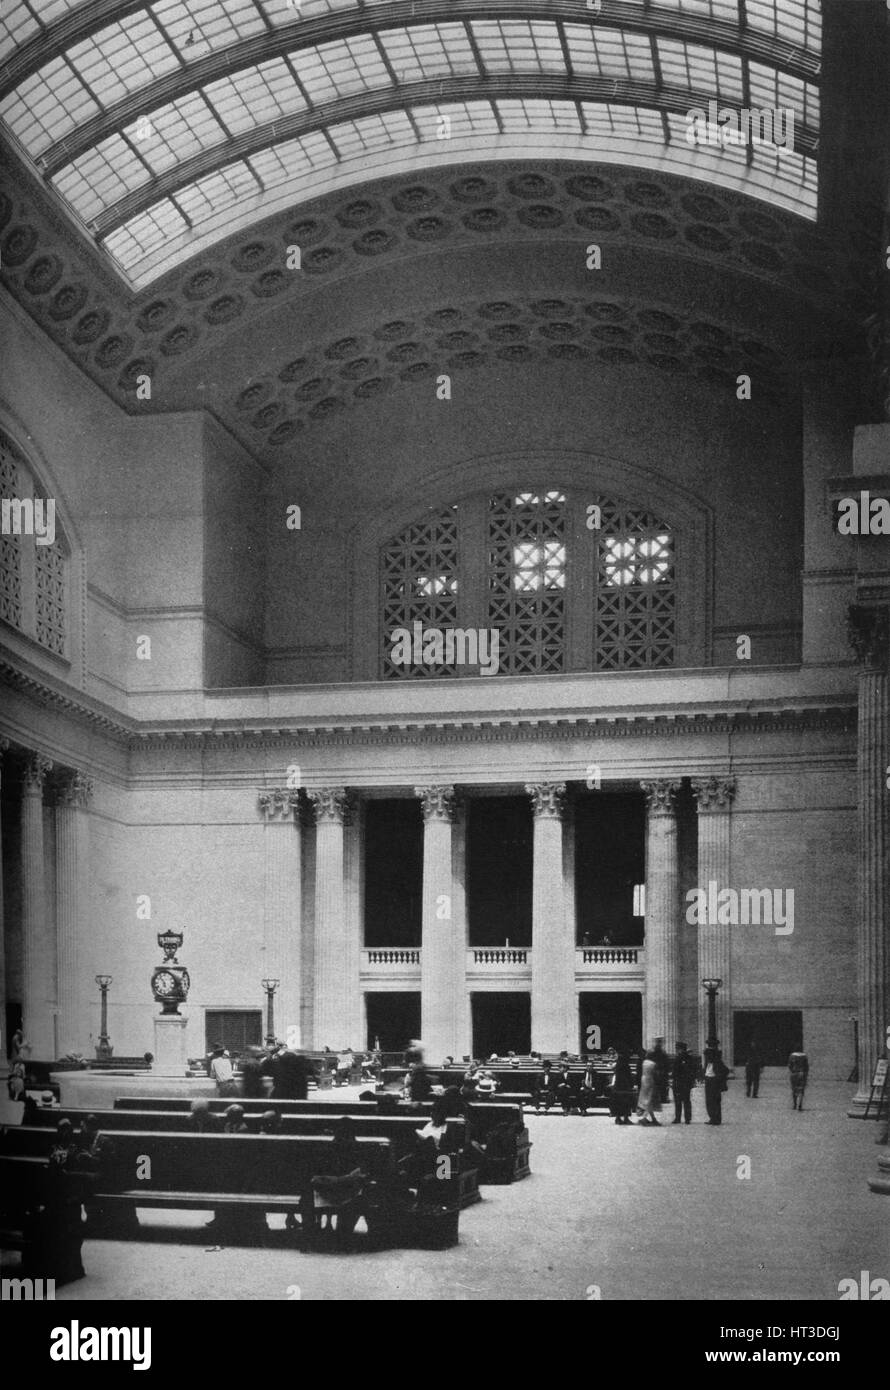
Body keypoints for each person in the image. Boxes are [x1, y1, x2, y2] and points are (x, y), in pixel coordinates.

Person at [703, 1041, 729, 1125]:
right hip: (709, 1080)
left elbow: (725, 1070)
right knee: (711, 1101)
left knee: (713, 1101)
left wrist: (718, 1079)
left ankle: (715, 1118)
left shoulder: (716, 1060)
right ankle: (714, 1118)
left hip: (713, 1081)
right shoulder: (713, 1060)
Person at [671, 1042, 696, 1125]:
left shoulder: (677, 1058)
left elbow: (674, 1071)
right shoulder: (690, 1058)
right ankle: (687, 1119)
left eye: (677, 1048)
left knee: (678, 1101)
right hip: (687, 1083)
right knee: (686, 1100)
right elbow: (693, 1070)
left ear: (679, 1049)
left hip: (678, 1082)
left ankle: (678, 1118)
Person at [635, 1051, 662, 1125]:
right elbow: (656, 1074)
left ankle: (653, 1119)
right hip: (650, 1081)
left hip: (643, 1081)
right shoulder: (653, 1064)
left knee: (646, 1100)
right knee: (649, 1100)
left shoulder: (644, 1062)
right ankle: (645, 1118)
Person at [609, 1051, 636, 1124]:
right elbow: (629, 1076)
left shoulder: (618, 1065)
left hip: (617, 1087)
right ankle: (626, 1118)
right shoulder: (626, 1065)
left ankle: (618, 1118)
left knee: (618, 1103)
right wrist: (631, 1085)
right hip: (625, 1087)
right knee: (626, 1103)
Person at [651, 1037, 670, 1105]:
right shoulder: (661, 1052)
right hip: (660, 1071)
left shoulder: (654, 1052)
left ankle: (661, 1098)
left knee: (660, 1086)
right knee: (660, 1086)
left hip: (659, 1071)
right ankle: (662, 1098)